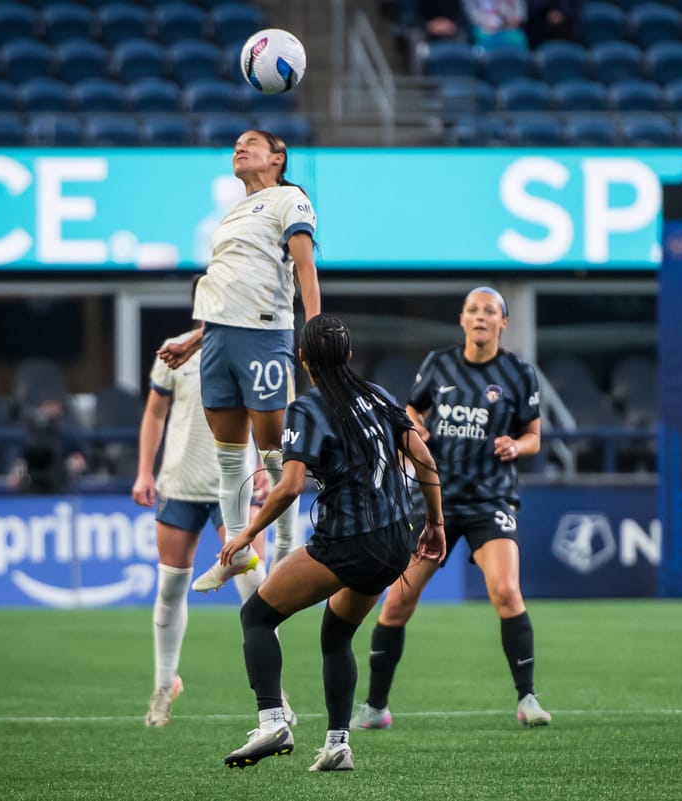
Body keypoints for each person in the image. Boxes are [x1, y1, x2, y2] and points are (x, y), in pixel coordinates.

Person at [217, 314, 445, 772]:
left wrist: (246, 532)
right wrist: (435, 524)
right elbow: (422, 455)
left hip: (349, 541)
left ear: (302, 358)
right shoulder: (378, 394)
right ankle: (338, 744)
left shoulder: (308, 407)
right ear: (350, 355)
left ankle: (271, 721)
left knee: (257, 616)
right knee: (337, 634)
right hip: (396, 540)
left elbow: (290, 486)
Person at [352, 287, 552, 730]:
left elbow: (534, 435)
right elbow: (409, 411)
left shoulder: (519, 373)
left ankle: (527, 699)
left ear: (503, 322)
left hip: (490, 500)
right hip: (435, 501)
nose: (480, 317)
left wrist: (516, 444)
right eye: (473, 310)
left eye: (489, 311)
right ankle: (375, 707)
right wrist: (415, 427)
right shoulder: (438, 364)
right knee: (397, 604)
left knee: (506, 591)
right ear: (462, 320)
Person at [159, 129, 318, 592]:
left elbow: (306, 268)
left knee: (273, 449)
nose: (239, 148)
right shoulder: (231, 215)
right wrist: (195, 340)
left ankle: (288, 543)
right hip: (219, 339)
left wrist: (312, 329)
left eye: (251, 143)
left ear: (277, 156)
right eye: (235, 145)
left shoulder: (288, 199)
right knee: (229, 457)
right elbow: (228, 288)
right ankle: (238, 553)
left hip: (264, 336)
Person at [133, 331, 297, 728]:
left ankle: (275, 692)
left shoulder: (254, 348)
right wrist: (143, 471)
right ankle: (163, 685)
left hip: (238, 488)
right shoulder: (174, 351)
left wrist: (266, 466)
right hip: (180, 486)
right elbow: (155, 413)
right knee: (170, 587)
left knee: (256, 593)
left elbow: (273, 416)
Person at [7, 395, 87, 494]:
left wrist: (75, 464)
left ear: (60, 410)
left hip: (60, 487)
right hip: (31, 488)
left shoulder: (68, 436)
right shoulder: (28, 436)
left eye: (53, 406)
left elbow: (81, 461)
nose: (50, 411)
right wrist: (16, 472)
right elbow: (18, 461)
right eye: (47, 406)